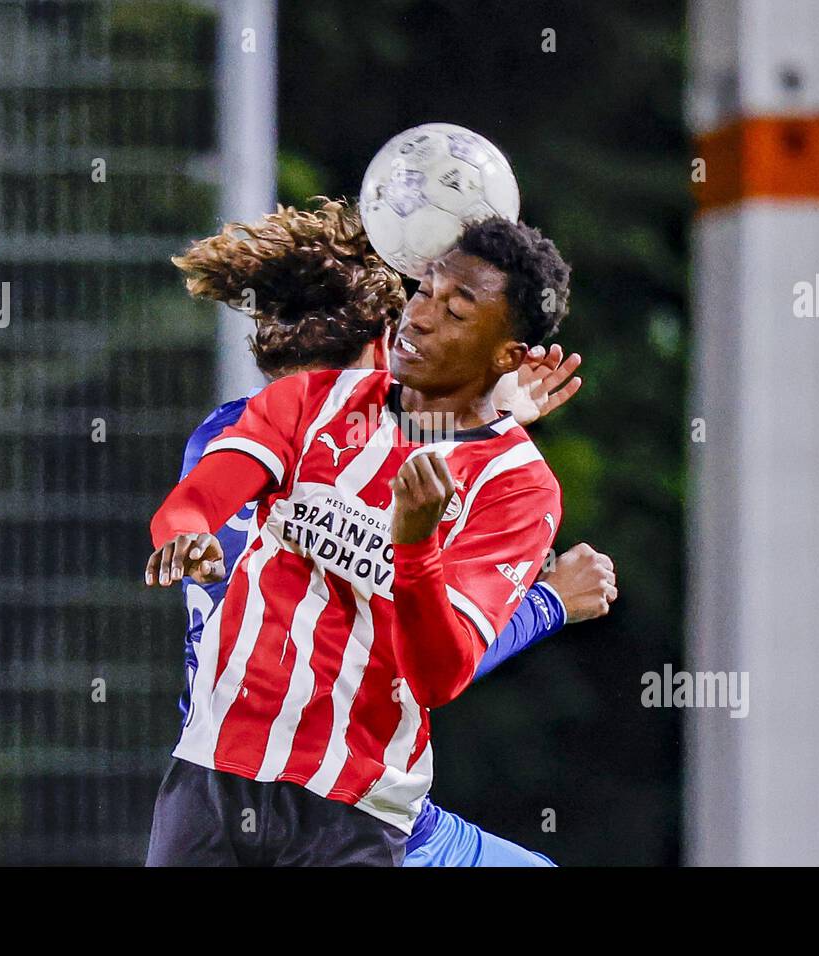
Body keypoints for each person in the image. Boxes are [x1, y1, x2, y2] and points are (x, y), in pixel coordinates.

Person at [145, 200, 616, 866]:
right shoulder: (301, 416)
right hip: (231, 774)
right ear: (378, 346)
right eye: (421, 295)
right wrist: (548, 602)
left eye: (453, 311)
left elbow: (434, 665)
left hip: (352, 800)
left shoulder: (225, 428)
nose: (421, 318)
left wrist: (484, 418)